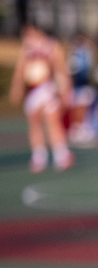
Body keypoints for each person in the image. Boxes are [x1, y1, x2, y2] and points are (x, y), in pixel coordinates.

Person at [10, 22, 74, 173]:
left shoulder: (51, 46)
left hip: (47, 89)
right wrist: (17, 86)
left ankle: (61, 154)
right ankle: (39, 156)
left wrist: (65, 90)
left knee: (53, 122)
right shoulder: (27, 48)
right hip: (33, 91)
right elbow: (21, 69)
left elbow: (60, 68)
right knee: (34, 123)